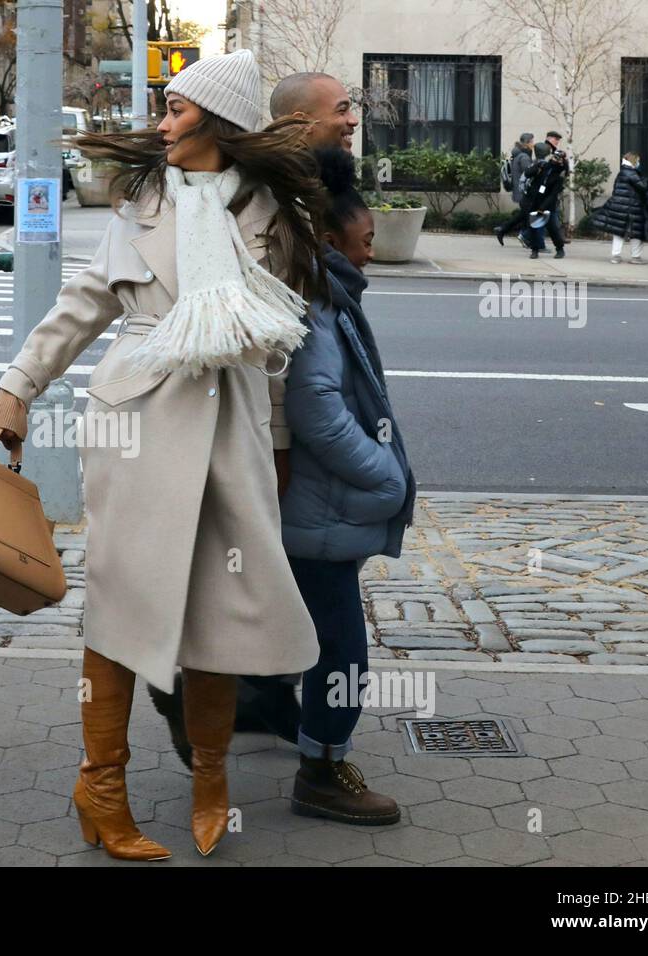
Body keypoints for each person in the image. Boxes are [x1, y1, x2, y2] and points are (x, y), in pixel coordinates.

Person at [0, 49, 327, 860]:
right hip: (136, 420)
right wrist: (16, 388)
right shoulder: (140, 201)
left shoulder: (272, 212)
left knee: (222, 617)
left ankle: (211, 777)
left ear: (218, 121)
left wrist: (279, 445)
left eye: (177, 109)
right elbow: (79, 307)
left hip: (231, 422)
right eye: (165, 108)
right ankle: (101, 785)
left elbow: (284, 343)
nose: (162, 123)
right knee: (124, 603)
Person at [142, 69, 361, 767]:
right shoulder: (250, 206)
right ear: (297, 123)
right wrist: (281, 442)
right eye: (341, 110)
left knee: (258, 575)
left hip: (258, 429)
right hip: (237, 430)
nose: (351, 120)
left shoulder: (282, 196)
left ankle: (245, 696)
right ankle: (302, 750)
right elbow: (280, 350)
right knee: (297, 587)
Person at [281, 147, 414, 825]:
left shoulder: (331, 296)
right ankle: (322, 771)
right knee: (343, 654)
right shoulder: (319, 307)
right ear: (330, 242)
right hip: (318, 514)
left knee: (313, 634)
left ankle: (283, 728)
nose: (369, 256)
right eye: (363, 244)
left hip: (316, 510)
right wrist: (385, 476)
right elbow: (318, 413)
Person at [590, 151, 648, 264]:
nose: (639, 163)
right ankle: (635, 257)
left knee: (618, 232)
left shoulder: (622, 172)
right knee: (637, 233)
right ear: (633, 161)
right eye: (638, 161)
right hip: (632, 207)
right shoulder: (631, 173)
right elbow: (643, 187)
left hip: (619, 206)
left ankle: (616, 256)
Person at [495, 145, 568, 259]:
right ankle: (535, 250)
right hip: (535, 200)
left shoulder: (559, 176)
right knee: (534, 226)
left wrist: (543, 208)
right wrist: (536, 166)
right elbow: (528, 173)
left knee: (552, 228)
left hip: (548, 204)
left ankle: (560, 249)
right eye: (554, 157)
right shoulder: (543, 166)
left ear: (562, 161)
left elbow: (553, 195)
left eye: (558, 159)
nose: (555, 160)